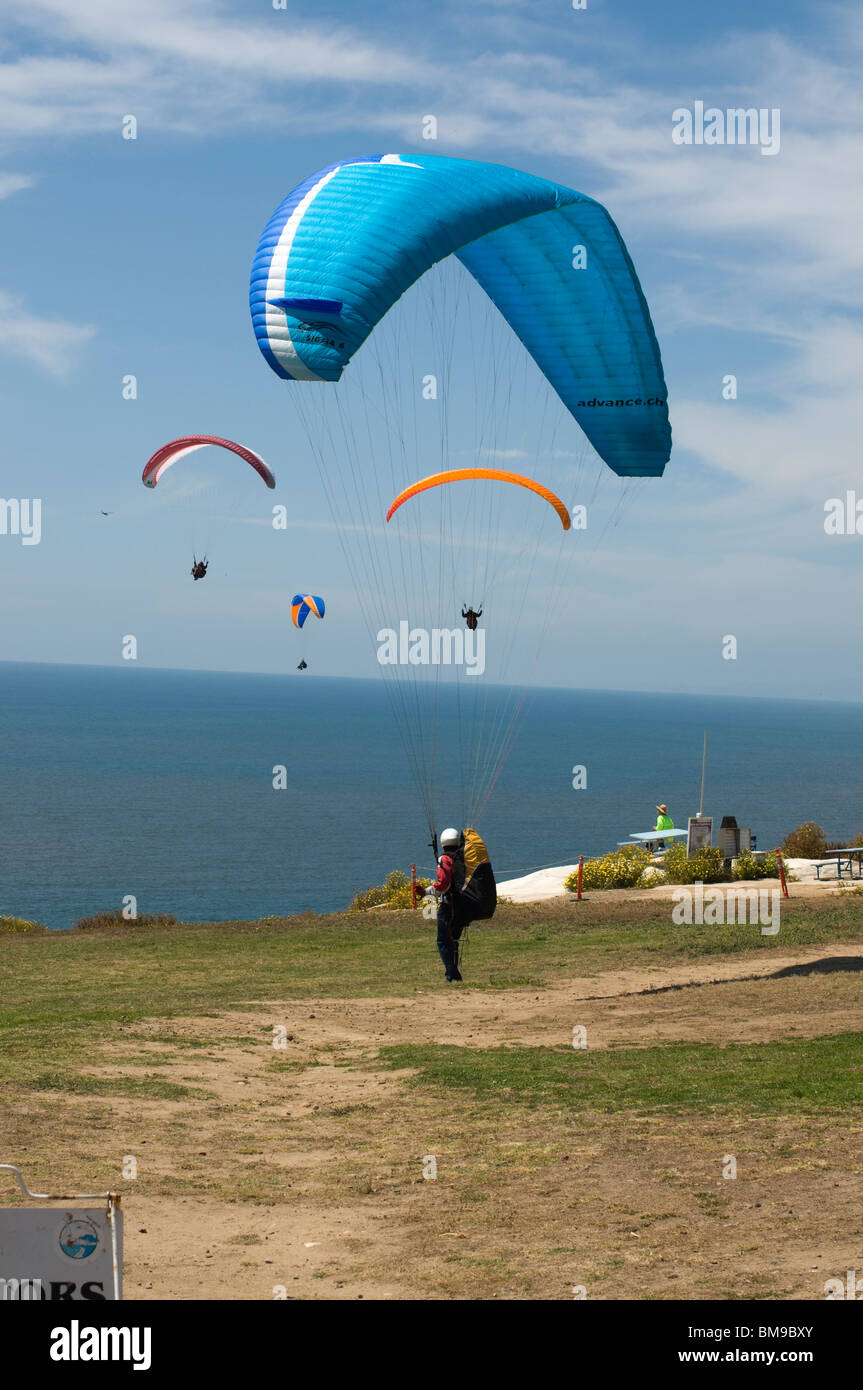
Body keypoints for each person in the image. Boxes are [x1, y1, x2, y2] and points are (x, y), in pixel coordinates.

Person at [420, 826, 466, 982]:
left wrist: (425, 892)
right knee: (453, 940)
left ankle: (452, 974)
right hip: (463, 906)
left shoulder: (445, 859)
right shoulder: (463, 858)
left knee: (443, 940)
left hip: (449, 906)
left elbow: (442, 885)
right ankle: (453, 974)